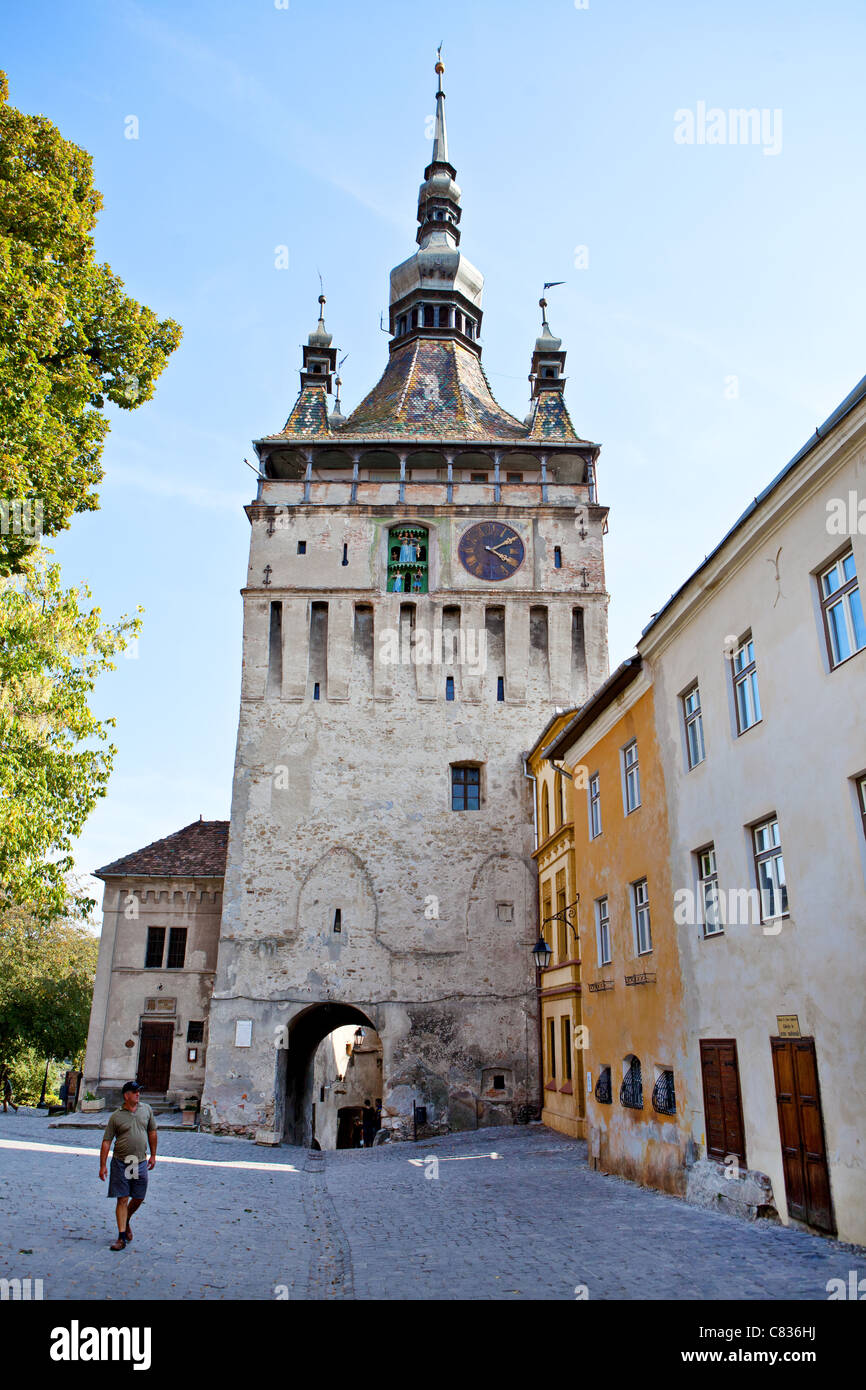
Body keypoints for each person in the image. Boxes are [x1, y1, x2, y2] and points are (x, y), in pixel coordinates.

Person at [98, 1081, 157, 1250]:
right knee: (123, 1198)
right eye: (135, 1092)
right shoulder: (116, 1116)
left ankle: (127, 1218)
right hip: (121, 1162)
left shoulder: (146, 1110)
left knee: (138, 1196)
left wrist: (153, 1155)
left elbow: (152, 1132)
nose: (138, 1094)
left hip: (138, 1161)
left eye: (139, 1091)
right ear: (126, 1095)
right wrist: (102, 1165)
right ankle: (121, 1237)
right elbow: (106, 1141)